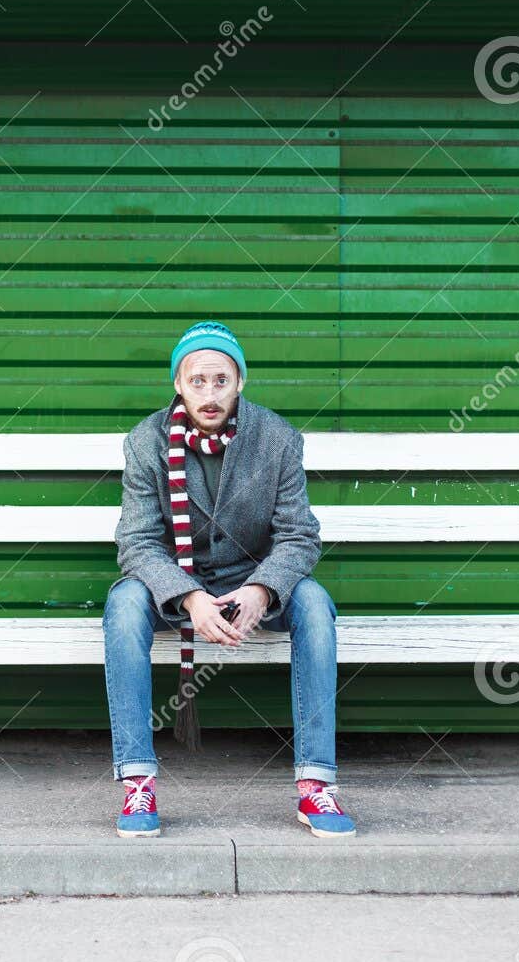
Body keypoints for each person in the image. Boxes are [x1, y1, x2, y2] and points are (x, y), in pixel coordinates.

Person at [103, 320, 353, 839]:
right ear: (178, 383)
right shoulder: (146, 442)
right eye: (197, 381)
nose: (209, 394)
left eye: (221, 380)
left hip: (251, 583)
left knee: (314, 603)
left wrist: (263, 590)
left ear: (241, 382)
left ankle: (315, 784)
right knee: (124, 603)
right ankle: (136, 781)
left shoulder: (278, 438)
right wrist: (190, 597)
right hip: (174, 587)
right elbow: (138, 543)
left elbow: (300, 536)